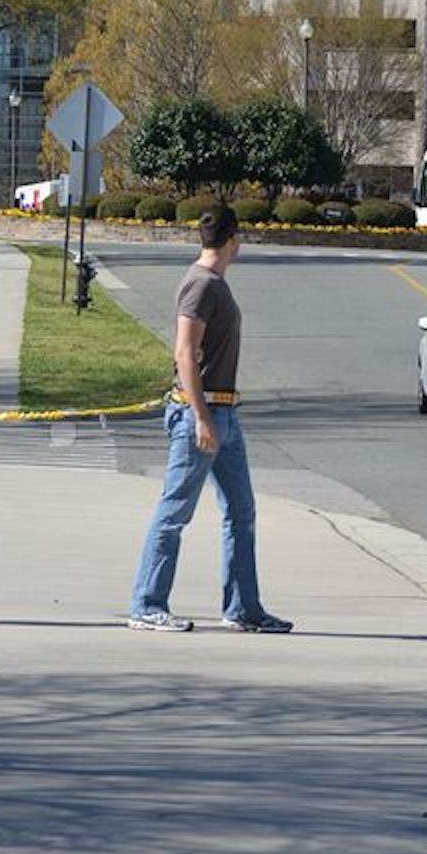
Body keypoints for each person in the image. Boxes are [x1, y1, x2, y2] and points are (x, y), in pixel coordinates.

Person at [128, 205, 291, 634]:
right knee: (175, 511)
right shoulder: (201, 285)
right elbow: (184, 352)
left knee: (241, 512)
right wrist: (200, 417)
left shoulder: (213, 283)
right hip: (200, 414)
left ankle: (243, 609)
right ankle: (146, 604)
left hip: (225, 413)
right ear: (233, 239)